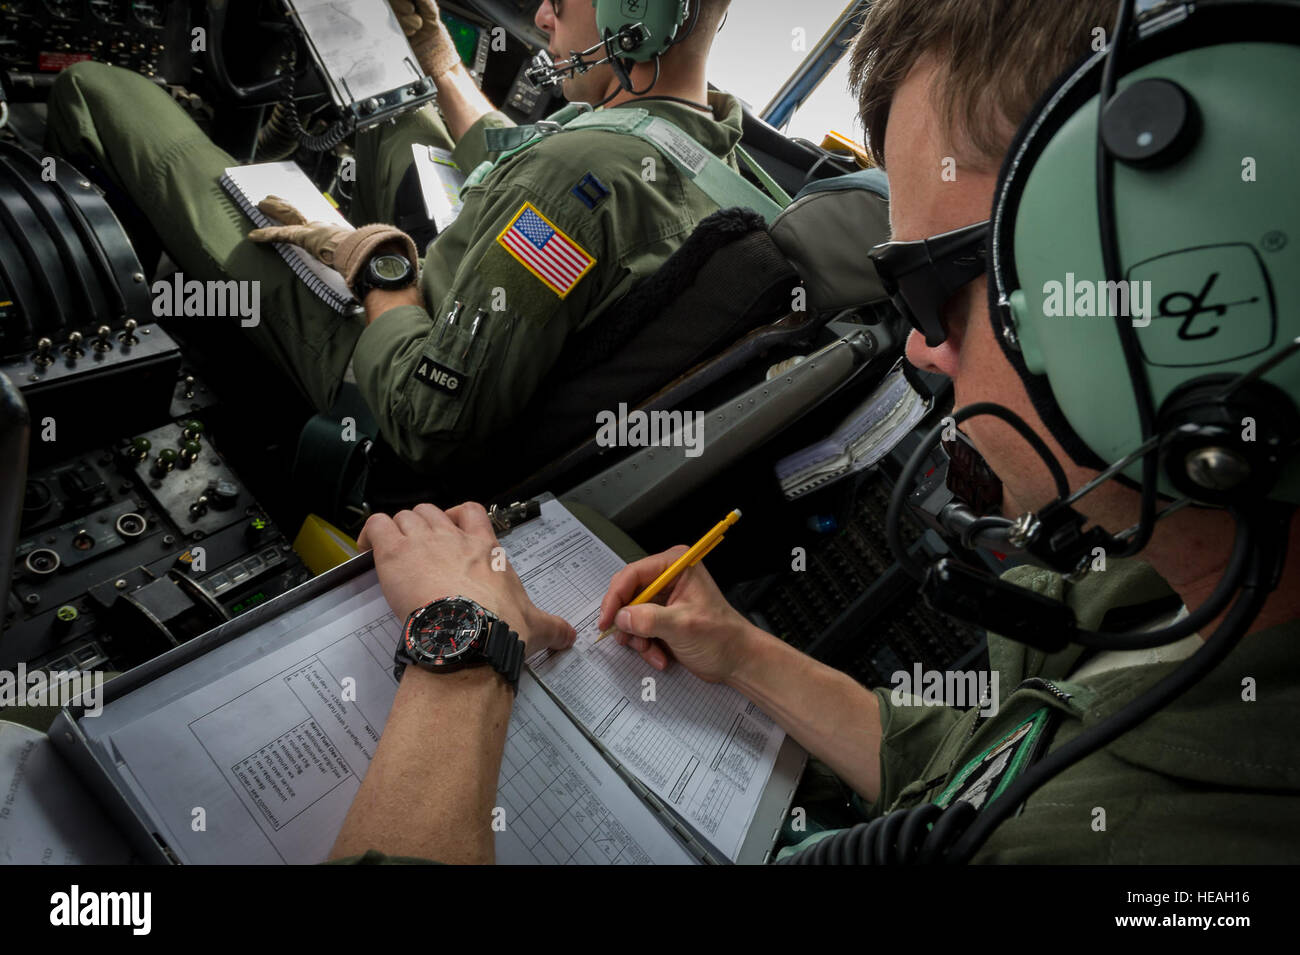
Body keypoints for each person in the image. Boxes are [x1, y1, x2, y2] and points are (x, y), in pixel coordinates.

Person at [333, 0, 1300, 864]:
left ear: (1175, 310)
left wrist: (459, 652)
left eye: (936, 286)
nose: (923, 352)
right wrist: (741, 652)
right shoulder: (1153, 582)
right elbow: (970, 759)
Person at [43, 0, 739, 475]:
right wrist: (437, 58)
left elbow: (427, 416)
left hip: (385, 376)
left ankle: (91, 332)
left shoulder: (569, 186)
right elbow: (523, 156)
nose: (542, 15)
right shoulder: (712, 151)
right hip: (469, 313)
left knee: (99, 89)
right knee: (387, 112)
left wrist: (372, 264)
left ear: (634, 15)